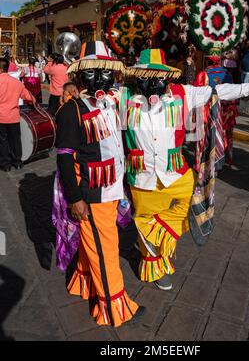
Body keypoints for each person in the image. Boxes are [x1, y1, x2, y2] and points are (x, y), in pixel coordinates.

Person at [123, 48, 249, 291]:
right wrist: (73, 90)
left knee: (190, 204)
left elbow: (218, 90)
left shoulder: (182, 94)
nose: (152, 83)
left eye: (158, 77)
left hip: (176, 174)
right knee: (145, 224)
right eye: (146, 77)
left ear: (167, 78)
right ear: (137, 77)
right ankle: (156, 266)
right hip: (142, 176)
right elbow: (95, 103)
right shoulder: (122, 98)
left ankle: (157, 239)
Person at [55, 41, 144, 328]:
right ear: (81, 76)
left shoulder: (113, 100)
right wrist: (74, 198)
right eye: (92, 73)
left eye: (106, 73)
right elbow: (65, 158)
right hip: (92, 194)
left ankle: (83, 283)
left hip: (113, 189)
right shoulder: (73, 111)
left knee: (93, 243)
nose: (100, 78)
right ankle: (114, 305)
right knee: (106, 247)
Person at [194, 46, 238, 166]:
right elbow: (232, 93)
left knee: (204, 135)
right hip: (223, 110)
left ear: (207, 60)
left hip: (207, 110)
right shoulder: (227, 74)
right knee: (223, 133)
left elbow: (196, 95)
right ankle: (223, 159)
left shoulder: (203, 74)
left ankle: (202, 161)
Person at [0, 57, 36, 171]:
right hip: (14, 116)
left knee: (2, 141)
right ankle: (17, 161)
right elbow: (29, 97)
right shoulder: (16, 83)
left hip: (1, 117)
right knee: (16, 140)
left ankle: (5, 164)